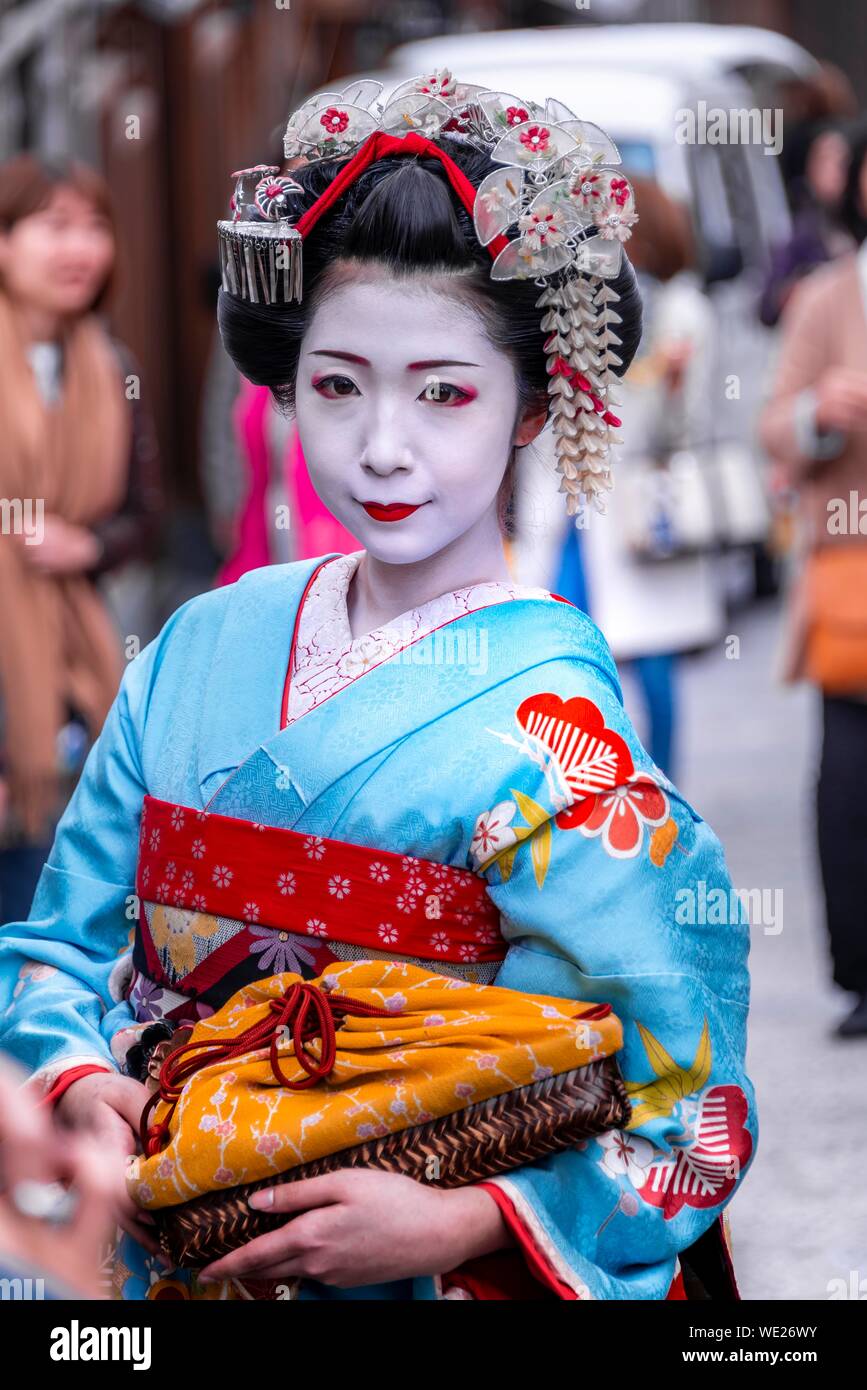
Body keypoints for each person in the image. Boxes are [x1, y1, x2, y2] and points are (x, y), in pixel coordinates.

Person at [0, 74, 756, 1300]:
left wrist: (470, 1221)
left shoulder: (558, 731)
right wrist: (80, 1081)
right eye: (339, 385)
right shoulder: (200, 640)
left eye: (444, 392)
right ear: (287, 382)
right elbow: (52, 945)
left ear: (530, 407)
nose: (383, 445)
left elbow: (687, 1098)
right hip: (151, 1237)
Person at [0, 155, 163, 924]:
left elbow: (143, 512)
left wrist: (86, 547)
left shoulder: (108, 365)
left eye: (95, 227)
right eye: (54, 226)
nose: (82, 248)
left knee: (51, 897)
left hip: (70, 664)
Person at [760, 124, 867, 1040]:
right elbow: (772, 428)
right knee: (850, 775)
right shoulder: (826, 298)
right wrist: (816, 414)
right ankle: (861, 968)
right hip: (852, 568)